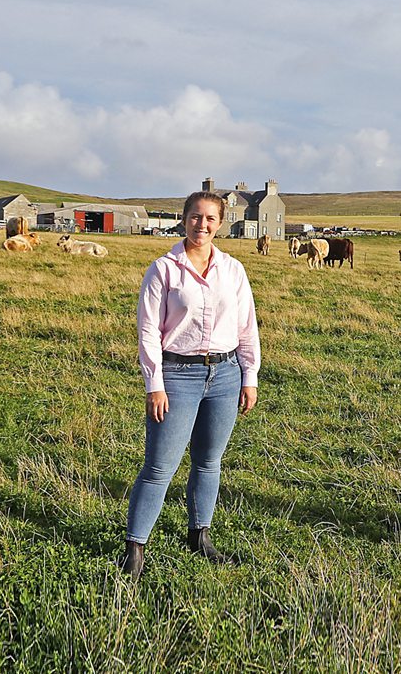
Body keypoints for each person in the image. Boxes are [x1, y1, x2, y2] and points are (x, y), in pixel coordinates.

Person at [119, 191, 261, 580]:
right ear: (184, 220)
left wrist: (249, 376)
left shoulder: (233, 270)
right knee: (159, 466)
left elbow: (247, 328)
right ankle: (135, 549)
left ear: (220, 224)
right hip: (177, 376)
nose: (202, 225)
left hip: (225, 374)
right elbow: (148, 332)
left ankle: (199, 535)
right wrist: (155, 384)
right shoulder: (163, 270)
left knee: (209, 461)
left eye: (210, 219)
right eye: (195, 217)